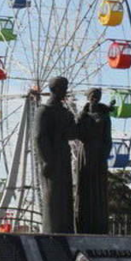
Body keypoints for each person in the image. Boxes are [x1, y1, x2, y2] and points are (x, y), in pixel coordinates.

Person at [34, 76, 77, 234]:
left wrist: (80, 118)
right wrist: (45, 160)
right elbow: (39, 136)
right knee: (52, 197)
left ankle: (66, 230)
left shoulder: (65, 113)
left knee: (65, 196)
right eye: (64, 88)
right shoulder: (43, 111)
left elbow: (72, 133)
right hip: (52, 158)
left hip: (64, 157)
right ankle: (51, 230)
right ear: (56, 89)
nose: (66, 91)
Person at [75, 88, 112, 234]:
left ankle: (99, 222)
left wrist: (104, 155)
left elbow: (108, 139)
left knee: (98, 188)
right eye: (92, 96)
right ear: (88, 97)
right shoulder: (83, 116)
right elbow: (75, 129)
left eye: (97, 96)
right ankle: (83, 222)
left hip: (98, 153)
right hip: (85, 152)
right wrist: (83, 112)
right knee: (83, 186)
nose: (95, 98)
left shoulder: (104, 116)